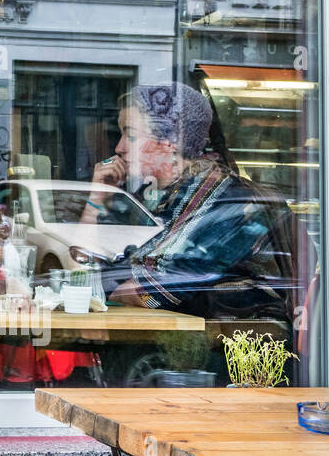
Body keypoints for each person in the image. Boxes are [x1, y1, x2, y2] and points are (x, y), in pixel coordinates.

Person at [85, 82, 298, 324]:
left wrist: (103, 284)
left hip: (234, 352)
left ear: (169, 142)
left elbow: (152, 295)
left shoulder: (228, 202)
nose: (119, 147)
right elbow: (84, 263)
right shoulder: (155, 197)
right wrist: (97, 198)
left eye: (130, 135)